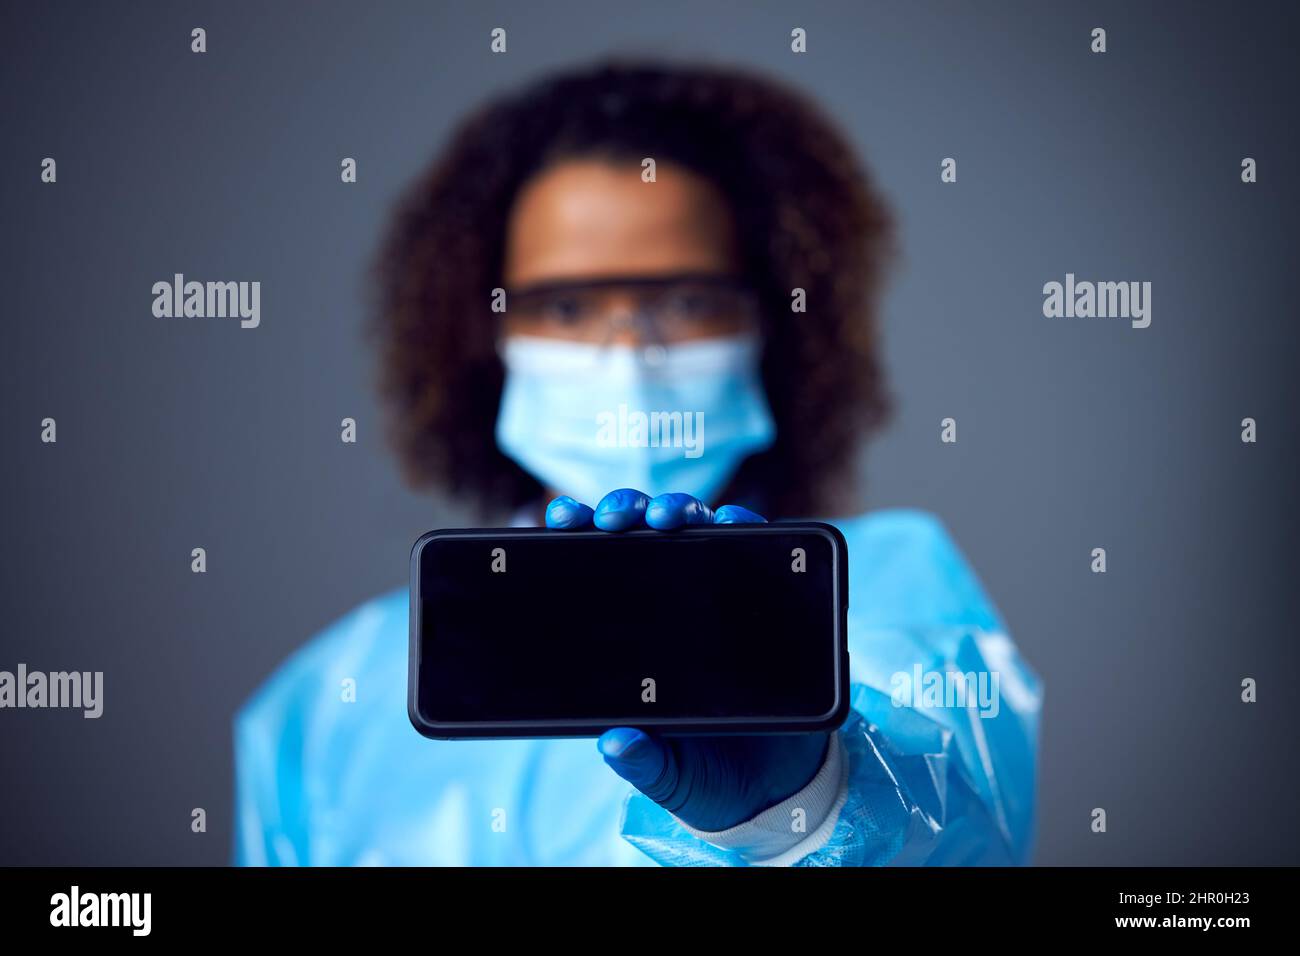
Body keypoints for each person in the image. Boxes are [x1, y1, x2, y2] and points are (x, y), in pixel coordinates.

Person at [234, 58, 1042, 866]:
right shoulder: (325, 708)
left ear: (781, 325)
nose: (626, 353)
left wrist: (807, 808)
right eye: (567, 306)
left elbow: (965, 838)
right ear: (481, 334)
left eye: (686, 301)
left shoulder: (891, 593)